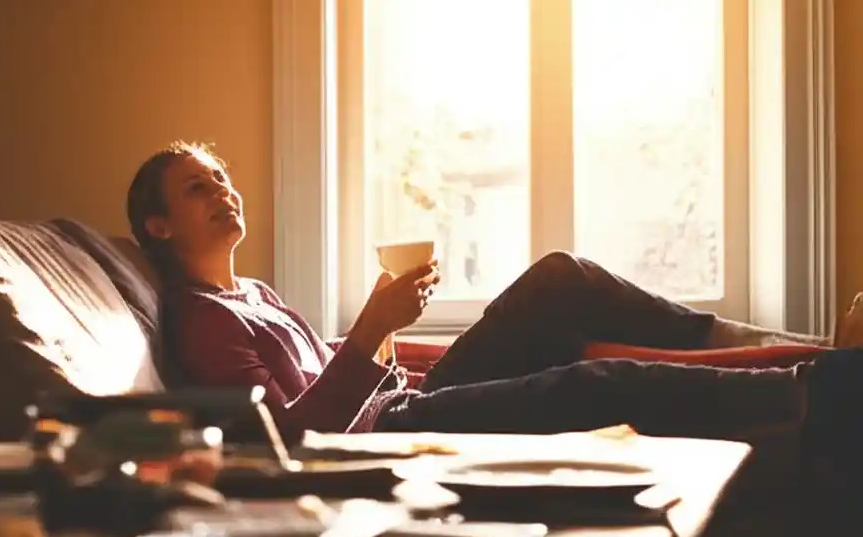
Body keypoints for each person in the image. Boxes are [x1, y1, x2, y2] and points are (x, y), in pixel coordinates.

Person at [125, 140, 863, 456]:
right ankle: (819, 387)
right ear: (159, 225)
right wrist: (370, 333)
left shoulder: (252, 291)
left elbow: (332, 378)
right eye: (198, 186)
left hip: (404, 398)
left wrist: (385, 331)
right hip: (382, 438)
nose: (222, 190)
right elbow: (287, 445)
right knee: (594, 388)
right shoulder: (203, 320)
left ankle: (778, 344)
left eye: (222, 178)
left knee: (559, 279)